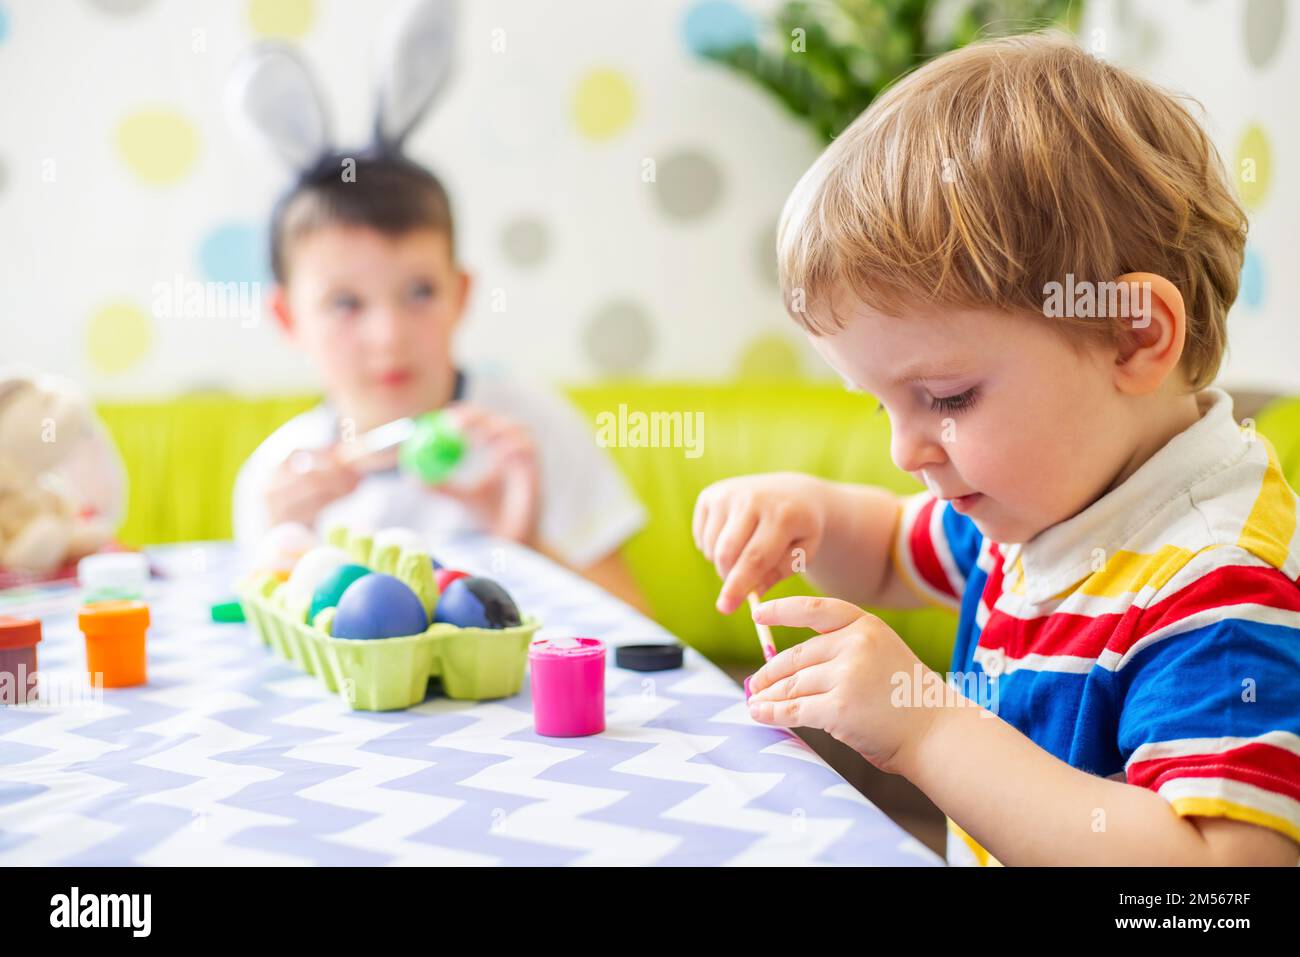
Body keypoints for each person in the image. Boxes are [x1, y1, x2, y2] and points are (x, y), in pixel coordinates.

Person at [694, 33, 1300, 865]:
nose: (908, 449)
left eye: (946, 398)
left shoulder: (1218, 583)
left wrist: (929, 729)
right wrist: (805, 516)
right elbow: (884, 555)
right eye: (880, 406)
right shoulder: (1040, 502)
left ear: (1133, 335)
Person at [233, 156, 648, 611]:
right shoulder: (277, 478)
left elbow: (636, 629)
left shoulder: (527, 439)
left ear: (461, 294)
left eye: (420, 292)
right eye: (345, 302)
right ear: (288, 318)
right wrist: (284, 548)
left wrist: (521, 546)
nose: (388, 336)